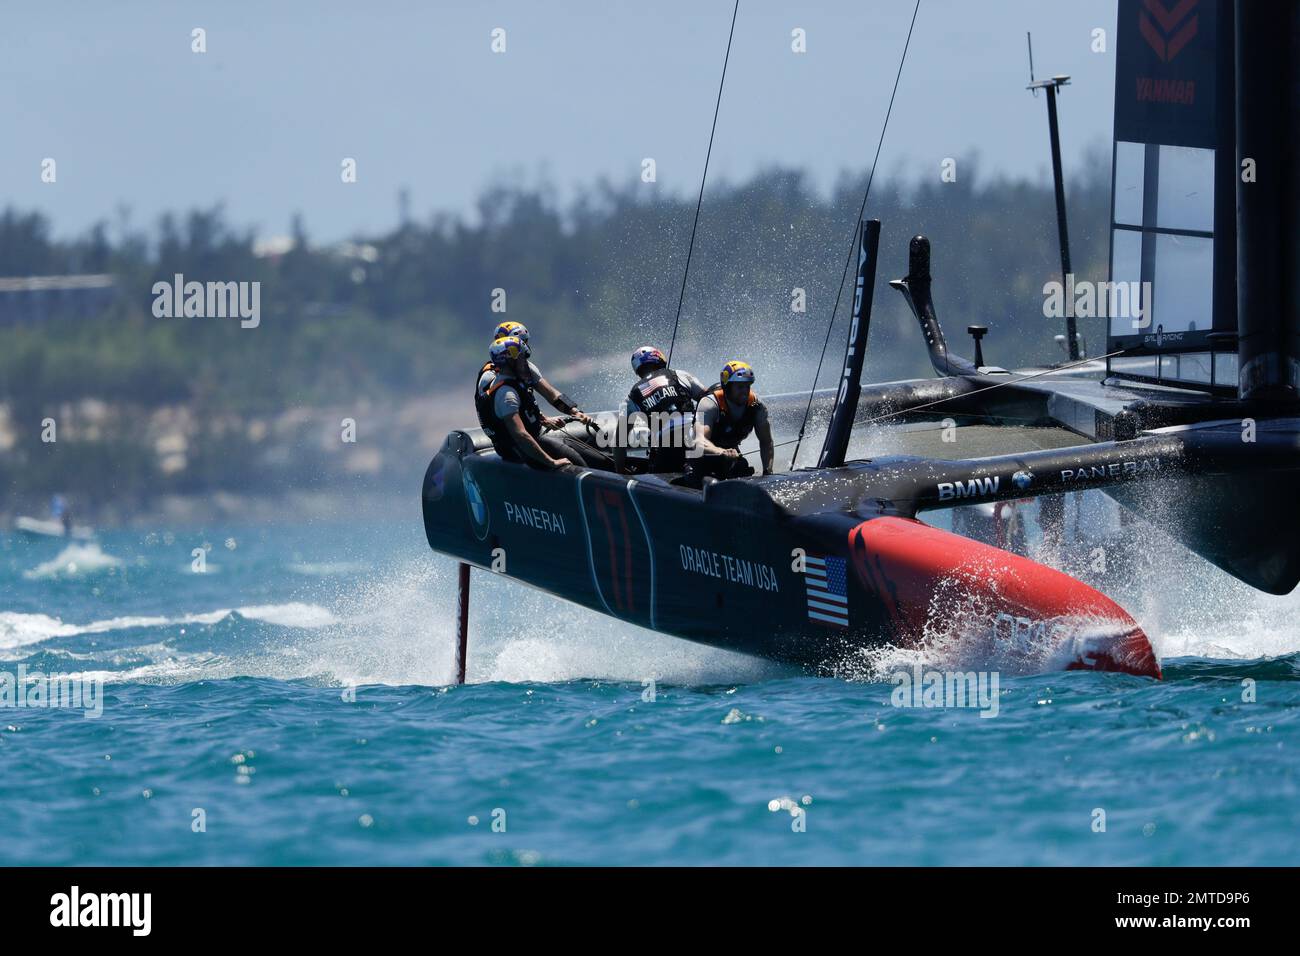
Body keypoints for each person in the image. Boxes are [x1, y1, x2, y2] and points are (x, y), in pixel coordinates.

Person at [475, 336, 612, 470]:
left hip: (534, 438)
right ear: (509, 361)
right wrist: (551, 462)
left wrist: (574, 413)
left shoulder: (514, 381)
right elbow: (520, 435)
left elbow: (545, 399)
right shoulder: (506, 394)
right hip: (518, 449)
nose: (525, 362)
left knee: (597, 459)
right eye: (522, 358)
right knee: (579, 463)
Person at [614, 345, 710, 474]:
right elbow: (709, 399)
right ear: (660, 359)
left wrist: (620, 471)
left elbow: (620, 440)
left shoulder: (631, 397)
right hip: (699, 438)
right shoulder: (680, 374)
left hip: (667, 451)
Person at [488, 321, 596, 428]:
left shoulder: (527, 368)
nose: (525, 346)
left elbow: (551, 394)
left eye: (526, 341)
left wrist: (576, 412)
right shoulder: (489, 376)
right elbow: (506, 408)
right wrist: (543, 419)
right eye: (522, 342)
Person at [689, 360, 775, 481]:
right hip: (699, 455)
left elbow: (766, 442)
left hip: (730, 454)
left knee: (742, 469)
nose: (745, 392)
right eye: (740, 387)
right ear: (727, 386)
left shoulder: (757, 406)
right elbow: (699, 441)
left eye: (747, 386)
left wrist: (768, 472)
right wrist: (721, 452)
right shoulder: (709, 404)